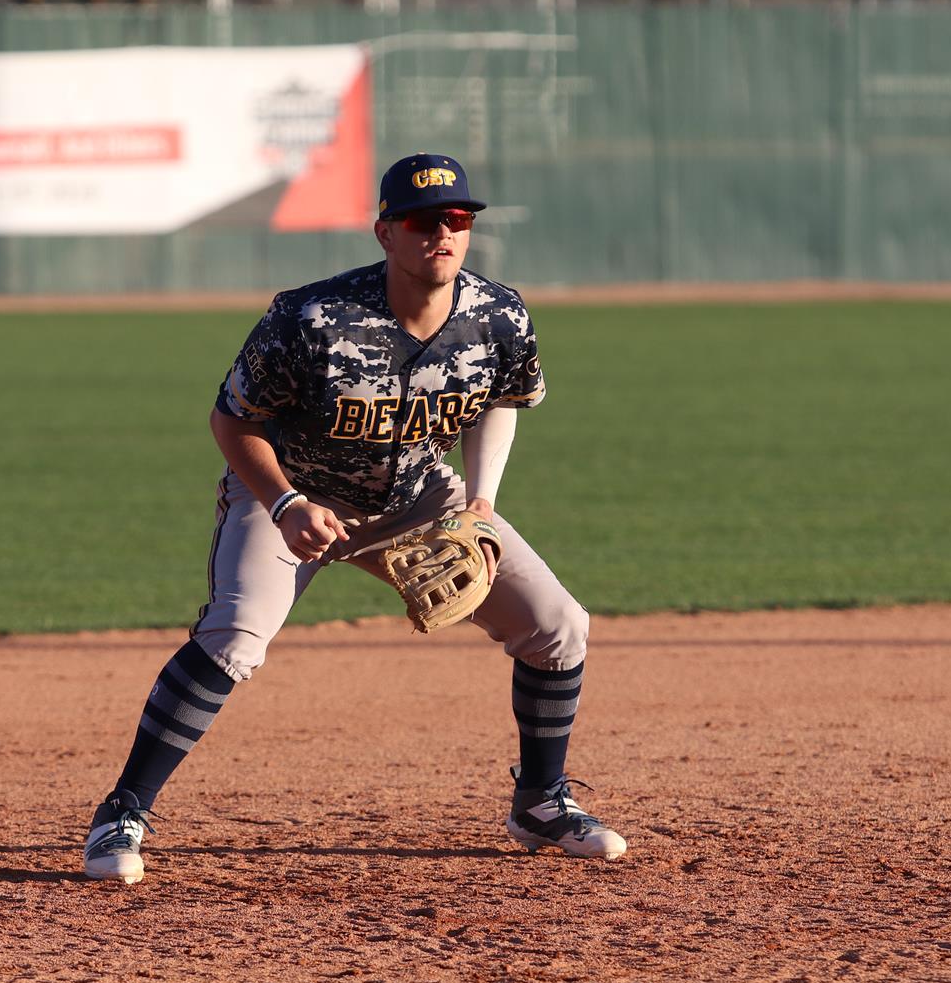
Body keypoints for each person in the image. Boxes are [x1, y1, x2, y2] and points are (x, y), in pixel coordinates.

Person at [82, 152, 625, 883]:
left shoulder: (499, 316)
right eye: (423, 220)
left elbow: (502, 398)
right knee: (235, 636)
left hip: (418, 497)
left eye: (458, 219)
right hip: (293, 493)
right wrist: (284, 503)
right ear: (384, 232)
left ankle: (540, 801)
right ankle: (123, 811)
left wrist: (481, 504)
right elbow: (232, 419)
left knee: (559, 625)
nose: (444, 232)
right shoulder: (312, 318)